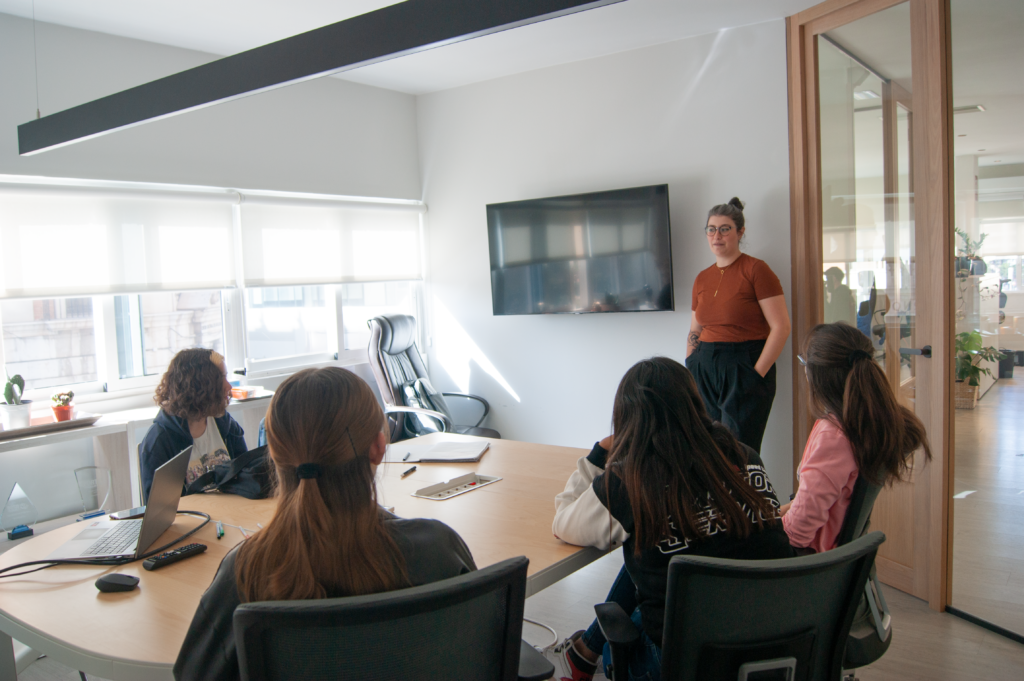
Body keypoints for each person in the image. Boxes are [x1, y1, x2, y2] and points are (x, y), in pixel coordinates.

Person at [174, 367, 476, 681]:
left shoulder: (246, 571)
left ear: (274, 454)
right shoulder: (439, 549)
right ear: (378, 446)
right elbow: (481, 650)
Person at [548, 357, 793, 681]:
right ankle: (581, 655)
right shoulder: (743, 455)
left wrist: (597, 457)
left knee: (641, 593)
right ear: (695, 404)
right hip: (780, 643)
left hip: (685, 663)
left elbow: (563, 522)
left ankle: (584, 656)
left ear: (628, 421)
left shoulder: (629, 481)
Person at [780, 322, 932, 553]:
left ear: (817, 373)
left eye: (803, 362)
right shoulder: (870, 421)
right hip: (836, 556)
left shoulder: (833, 437)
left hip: (810, 562)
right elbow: (812, 502)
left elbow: (797, 533)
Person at [686, 197, 790, 452]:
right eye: (711, 229)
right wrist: (691, 364)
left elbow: (781, 327)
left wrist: (756, 375)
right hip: (704, 367)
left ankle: (744, 493)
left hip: (743, 366)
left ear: (740, 232)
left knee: (740, 450)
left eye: (725, 229)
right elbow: (695, 329)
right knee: (707, 446)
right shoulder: (702, 277)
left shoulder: (756, 270)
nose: (716, 235)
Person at [139, 349, 247, 500]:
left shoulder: (224, 423)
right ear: (200, 385)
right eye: (221, 378)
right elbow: (160, 509)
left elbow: (246, 476)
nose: (228, 386)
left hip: (231, 515)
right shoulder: (159, 441)